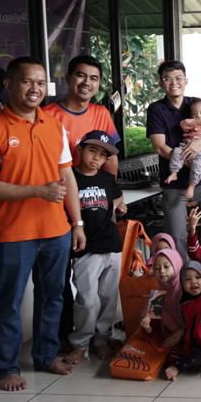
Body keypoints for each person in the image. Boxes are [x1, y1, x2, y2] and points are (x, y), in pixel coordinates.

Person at [0, 58, 87, 391]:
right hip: (12, 234)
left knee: (54, 297)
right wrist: (36, 191)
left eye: (40, 82)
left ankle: (46, 354)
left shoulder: (53, 125)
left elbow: (67, 176)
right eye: (26, 82)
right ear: (9, 84)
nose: (34, 88)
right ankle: (5, 367)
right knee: (8, 301)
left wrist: (76, 222)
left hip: (56, 231)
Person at [43, 54, 121, 347]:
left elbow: (111, 160)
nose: (86, 83)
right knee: (63, 280)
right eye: (81, 76)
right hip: (58, 204)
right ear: (68, 78)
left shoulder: (101, 112)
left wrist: (112, 196)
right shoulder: (50, 114)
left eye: (94, 78)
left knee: (98, 283)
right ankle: (67, 339)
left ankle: (95, 337)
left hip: (93, 204)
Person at [65, 131, 126, 364]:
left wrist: (118, 208)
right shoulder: (70, 177)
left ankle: (102, 339)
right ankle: (80, 343)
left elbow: (118, 198)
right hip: (85, 248)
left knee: (108, 298)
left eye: (102, 155)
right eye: (92, 151)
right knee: (87, 299)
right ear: (80, 150)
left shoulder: (107, 179)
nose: (96, 158)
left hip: (111, 245)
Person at [146, 60, 201, 254]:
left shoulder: (196, 104)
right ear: (161, 83)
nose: (174, 83)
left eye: (178, 78)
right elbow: (160, 147)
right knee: (177, 235)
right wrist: (189, 162)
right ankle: (181, 280)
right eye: (167, 79)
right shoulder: (156, 109)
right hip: (174, 183)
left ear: (186, 81)